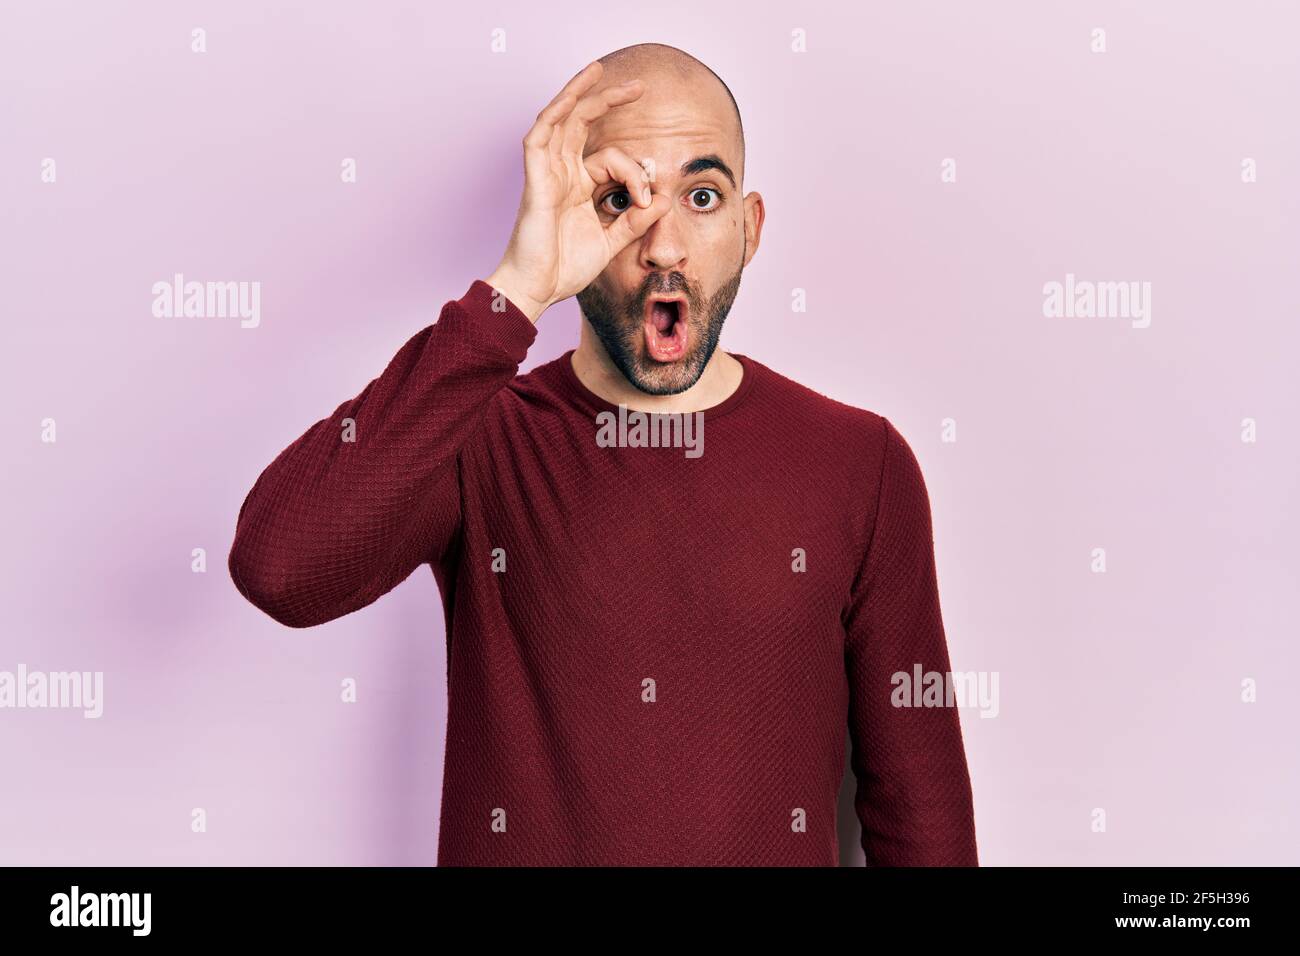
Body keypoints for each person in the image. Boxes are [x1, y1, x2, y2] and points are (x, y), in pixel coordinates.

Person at [227, 44, 979, 867]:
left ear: (749, 228)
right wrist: (514, 289)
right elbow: (281, 568)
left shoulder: (859, 463)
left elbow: (921, 810)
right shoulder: (478, 436)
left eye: (701, 195)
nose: (662, 247)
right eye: (619, 198)